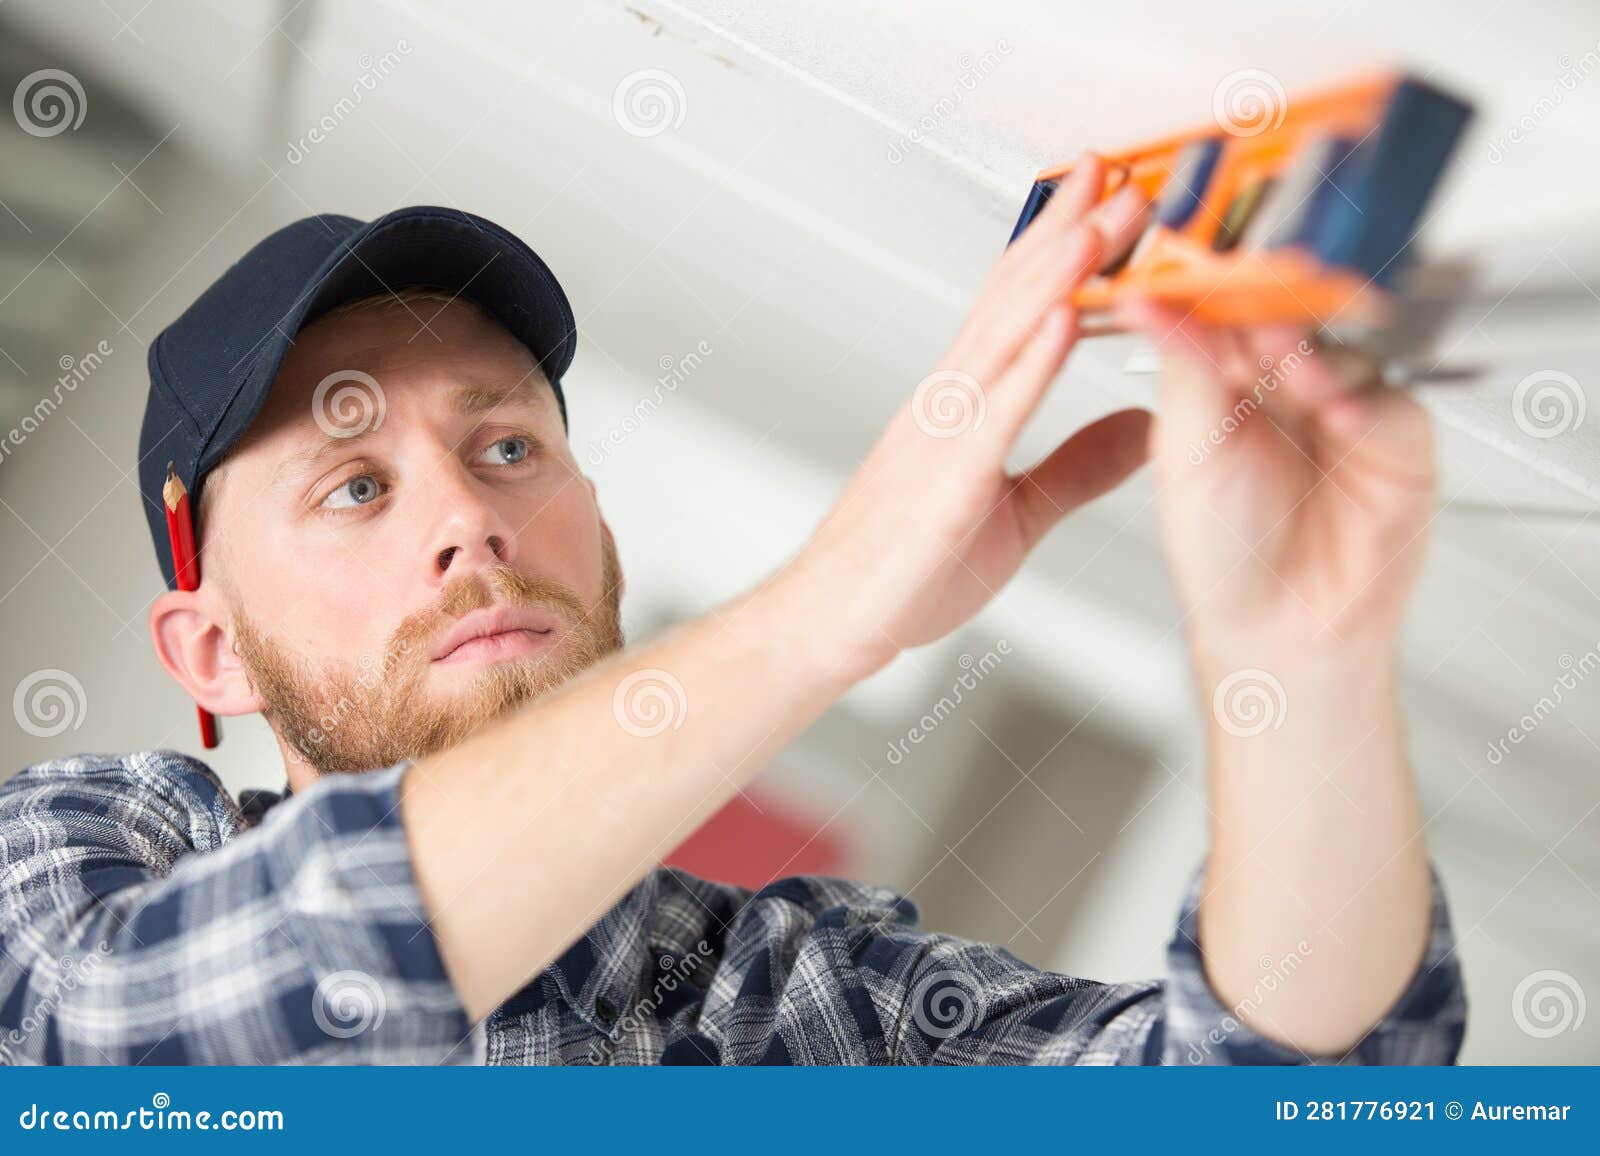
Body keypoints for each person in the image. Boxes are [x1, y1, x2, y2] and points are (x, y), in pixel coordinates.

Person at [0, 155, 1464, 1065]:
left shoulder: (812, 1010)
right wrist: (824, 612)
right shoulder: (85, 863)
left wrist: (1302, 655)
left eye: (507, 446)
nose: (470, 519)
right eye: (356, 486)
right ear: (211, 653)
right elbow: (129, 1041)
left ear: (604, 544)